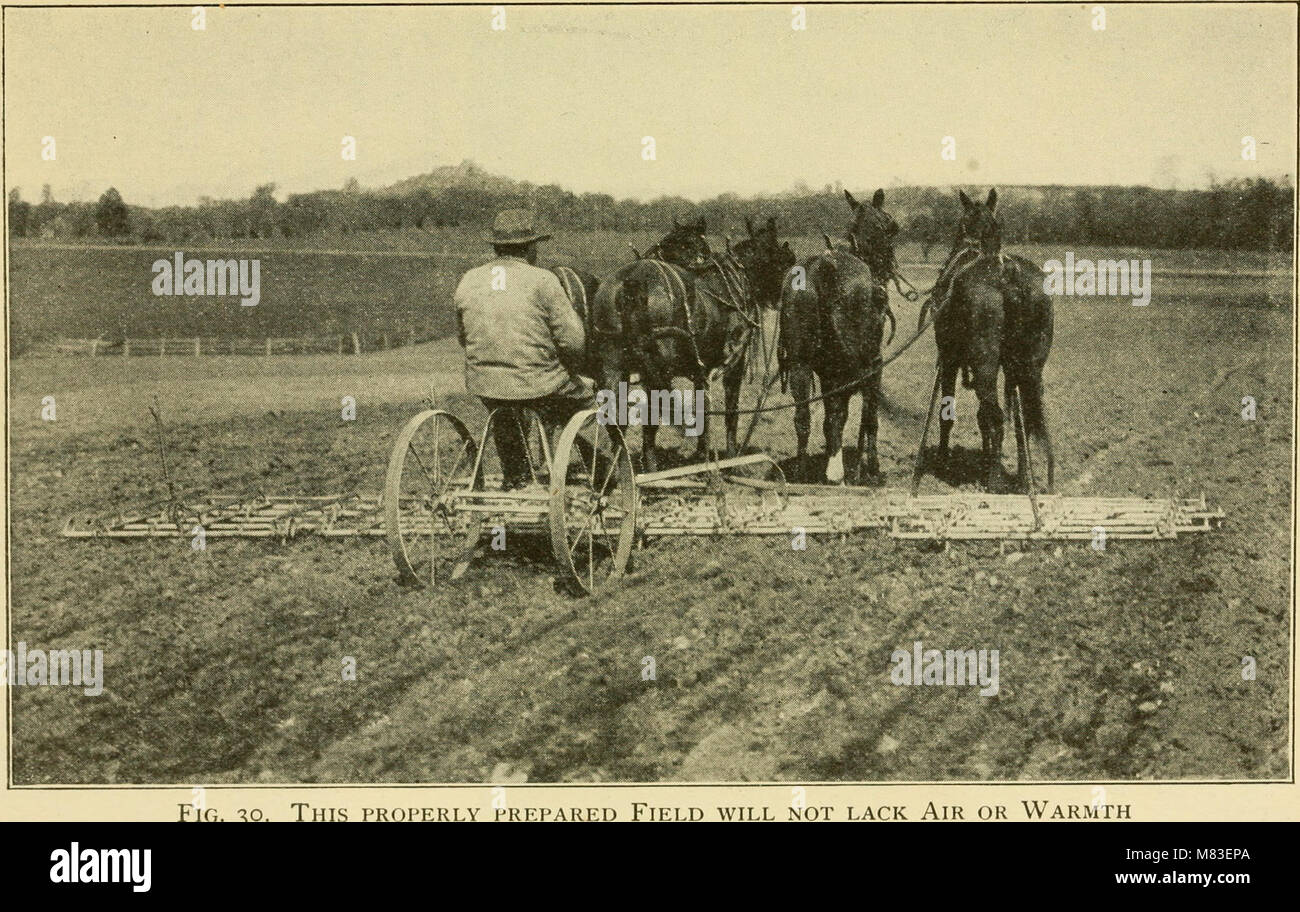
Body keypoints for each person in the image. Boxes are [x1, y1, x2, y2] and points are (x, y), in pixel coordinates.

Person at [453, 209, 592, 489]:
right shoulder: (543, 280)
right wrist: (574, 370)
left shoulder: (469, 279)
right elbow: (574, 341)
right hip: (537, 383)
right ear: (530, 247)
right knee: (590, 398)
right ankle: (605, 474)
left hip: (484, 383)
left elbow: (463, 336)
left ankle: (517, 477)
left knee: (505, 410)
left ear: (496, 247)